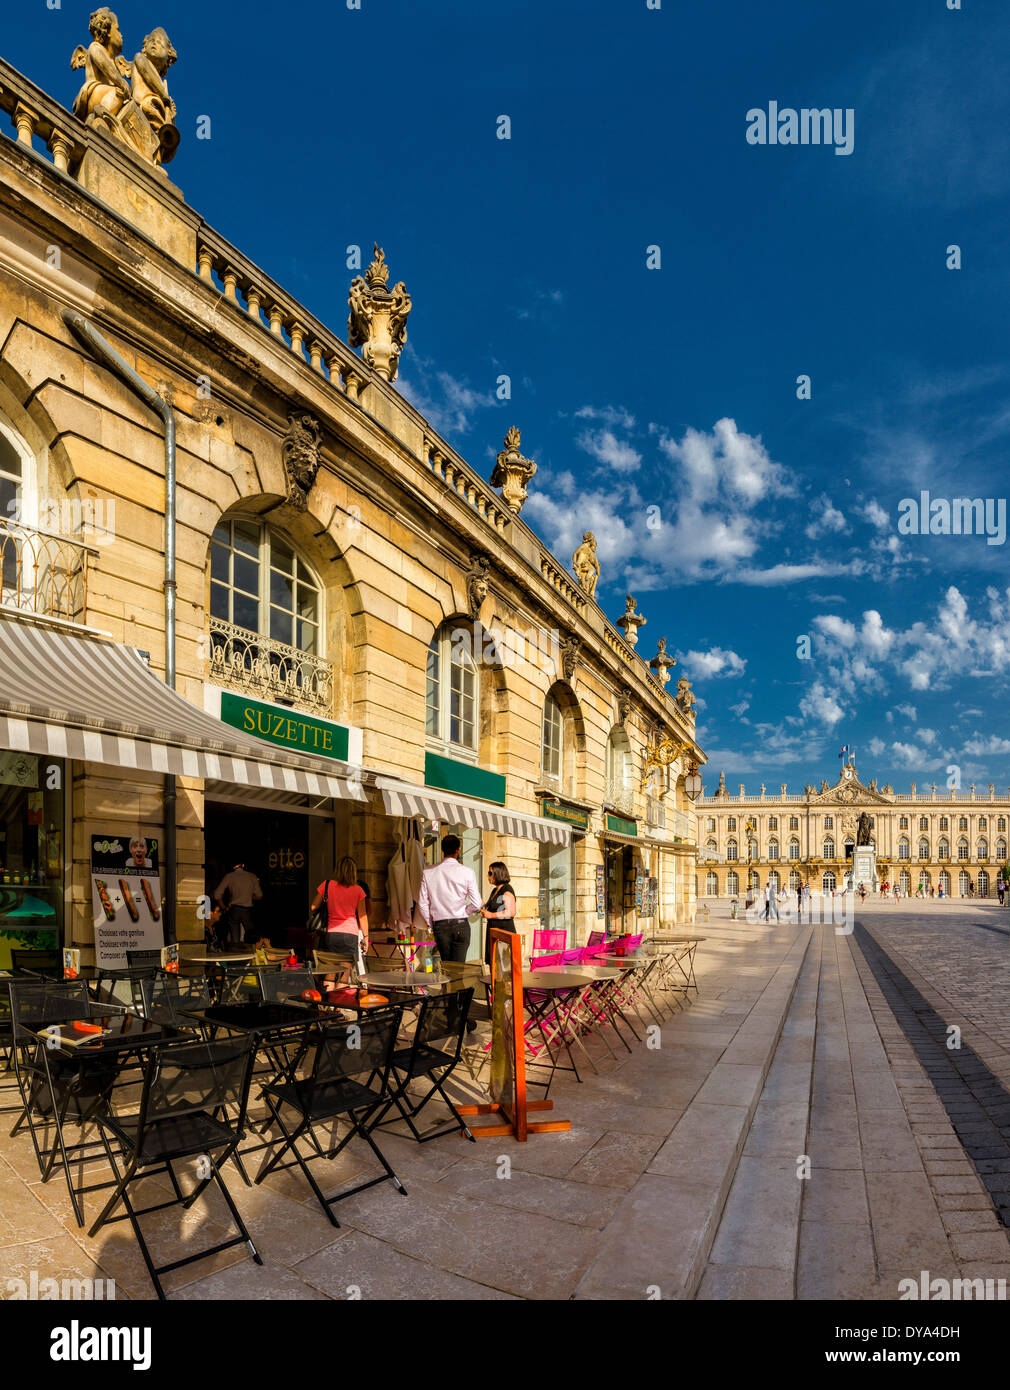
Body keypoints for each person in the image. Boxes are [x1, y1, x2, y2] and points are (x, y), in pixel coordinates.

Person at [417, 834, 482, 964]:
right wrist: (465, 912)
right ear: (458, 850)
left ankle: (448, 985)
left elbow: (422, 903)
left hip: (440, 925)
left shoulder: (428, 872)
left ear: (442, 850)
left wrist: (431, 922)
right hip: (460, 923)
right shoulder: (467, 872)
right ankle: (456, 984)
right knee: (458, 967)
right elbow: (477, 904)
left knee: (446, 966)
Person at [310, 855, 369, 965]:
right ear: (353, 872)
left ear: (338, 870)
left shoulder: (326, 885)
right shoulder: (359, 890)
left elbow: (313, 907)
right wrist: (365, 937)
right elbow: (363, 916)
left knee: (330, 972)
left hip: (332, 934)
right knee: (344, 975)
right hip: (350, 935)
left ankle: (329, 983)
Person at [214, 860, 263, 944]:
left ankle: (236, 953)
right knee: (251, 936)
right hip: (247, 910)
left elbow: (217, 895)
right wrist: (249, 896)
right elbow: (259, 896)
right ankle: (252, 953)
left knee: (234, 936)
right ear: (243, 865)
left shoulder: (229, 876)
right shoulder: (252, 876)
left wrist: (224, 907)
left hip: (234, 909)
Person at [481, 861, 517, 967]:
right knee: (495, 966)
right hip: (494, 933)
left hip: (503, 934)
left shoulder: (506, 889)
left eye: (490, 873)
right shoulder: (495, 891)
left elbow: (511, 912)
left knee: (504, 968)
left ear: (498, 873)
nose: (488, 876)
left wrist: (490, 915)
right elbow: (488, 908)